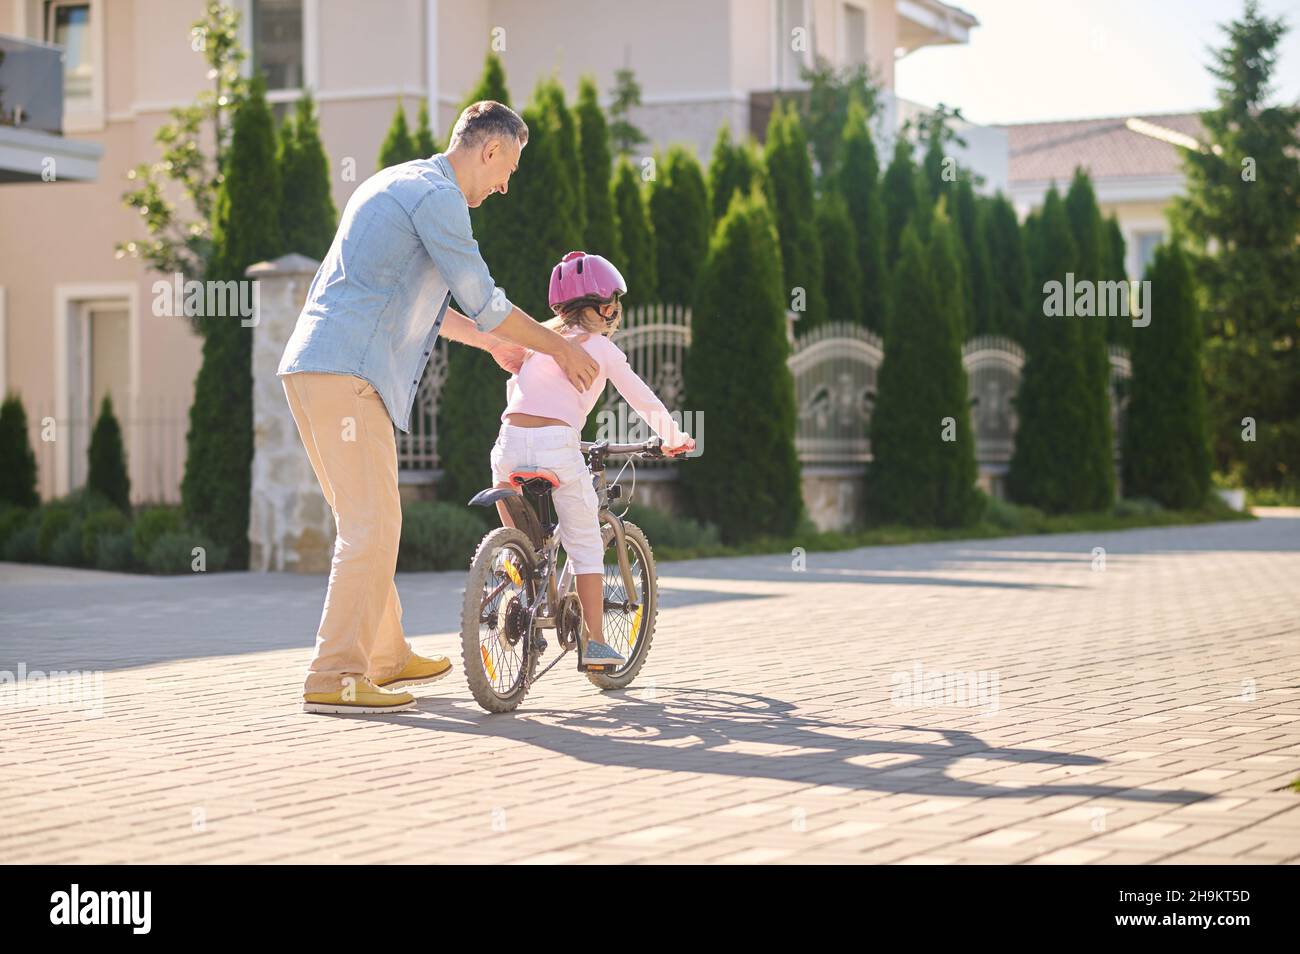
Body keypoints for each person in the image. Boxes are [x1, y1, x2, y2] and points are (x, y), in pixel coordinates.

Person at [279, 101, 600, 715]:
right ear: (487, 150)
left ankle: (385, 655)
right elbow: (483, 297)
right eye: (508, 167)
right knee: (372, 527)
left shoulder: (397, 181)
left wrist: (491, 342)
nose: (506, 185)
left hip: (318, 367)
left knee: (372, 520)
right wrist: (557, 345)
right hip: (347, 372)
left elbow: (413, 298)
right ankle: (334, 675)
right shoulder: (439, 198)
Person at [490, 251, 695, 667]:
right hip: (557, 446)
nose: (616, 311)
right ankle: (596, 642)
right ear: (603, 307)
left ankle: (519, 558)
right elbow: (642, 398)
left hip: (508, 441)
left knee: (505, 492)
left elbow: (519, 392)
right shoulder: (600, 348)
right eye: (613, 303)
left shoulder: (538, 341)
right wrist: (673, 438)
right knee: (584, 545)